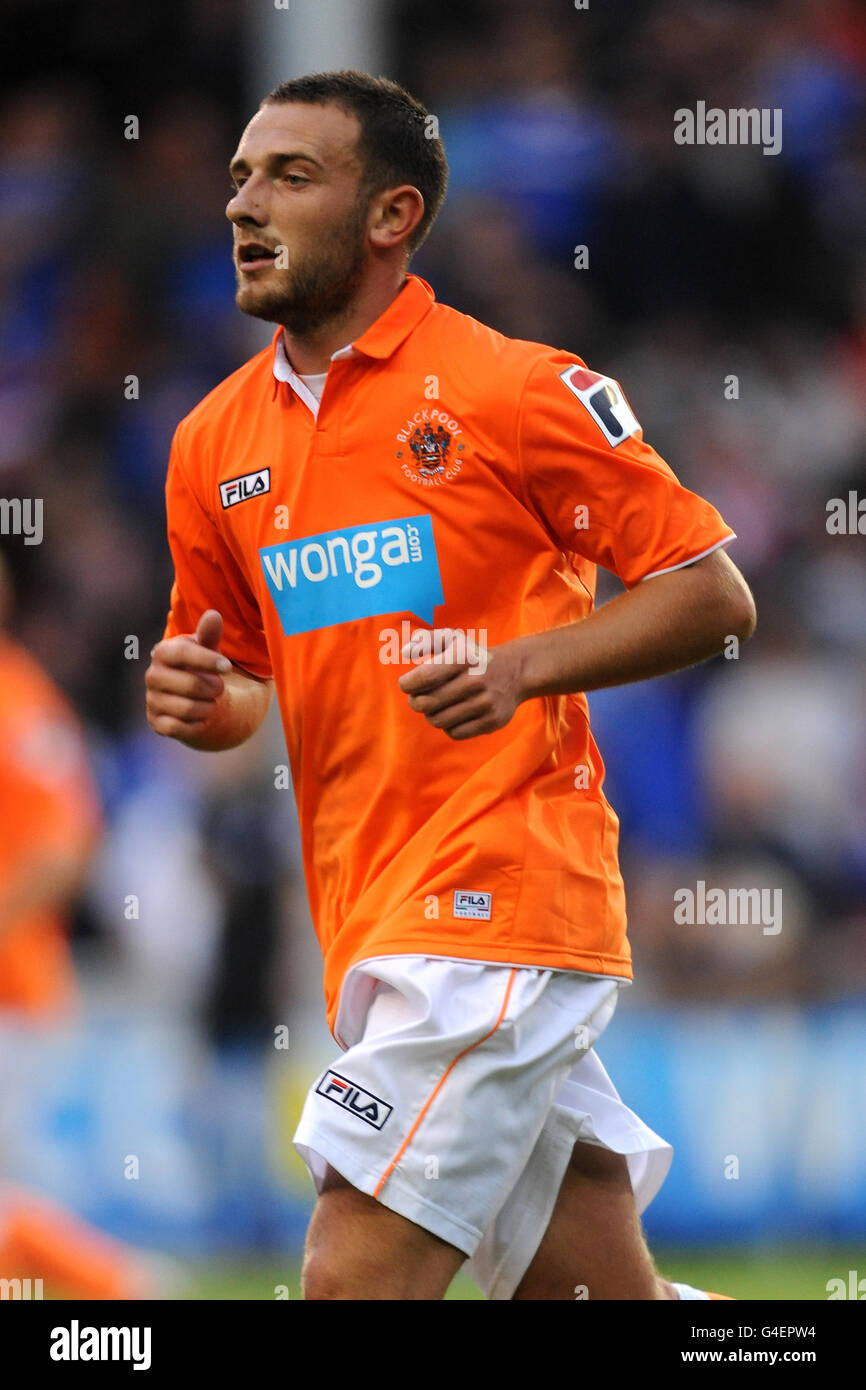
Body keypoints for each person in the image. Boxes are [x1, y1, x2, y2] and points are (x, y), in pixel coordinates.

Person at [146, 71, 755, 1300]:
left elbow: (709, 592)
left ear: (391, 215)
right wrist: (206, 702)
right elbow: (245, 686)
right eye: (239, 178)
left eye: (288, 176)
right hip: (369, 915)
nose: (243, 204)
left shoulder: (513, 390)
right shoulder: (213, 442)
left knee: (349, 1272)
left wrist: (519, 666)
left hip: (497, 893)